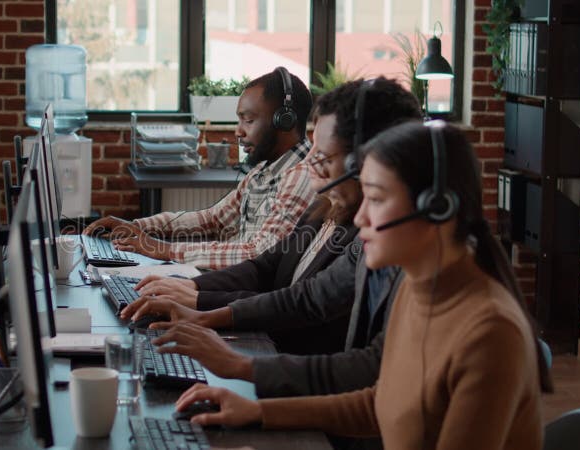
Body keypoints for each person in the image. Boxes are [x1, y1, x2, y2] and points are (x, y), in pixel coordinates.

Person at [171, 121, 553, 450]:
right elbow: (377, 405)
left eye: (377, 199)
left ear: (437, 208)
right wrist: (258, 412)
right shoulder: (417, 290)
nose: (362, 217)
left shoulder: (490, 333)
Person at [127, 78, 422, 356]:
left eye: (325, 158)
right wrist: (194, 292)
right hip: (276, 348)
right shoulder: (324, 207)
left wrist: (203, 309)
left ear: (360, 165)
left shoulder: (368, 236)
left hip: (289, 354)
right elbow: (266, 264)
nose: (311, 166)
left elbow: (305, 302)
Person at [83, 67, 315, 269]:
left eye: (248, 120)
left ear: (285, 121)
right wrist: (136, 227)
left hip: (246, 298)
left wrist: (165, 250)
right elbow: (213, 219)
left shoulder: (301, 176)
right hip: (230, 283)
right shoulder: (263, 171)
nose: (238, 131)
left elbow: (257, 253)